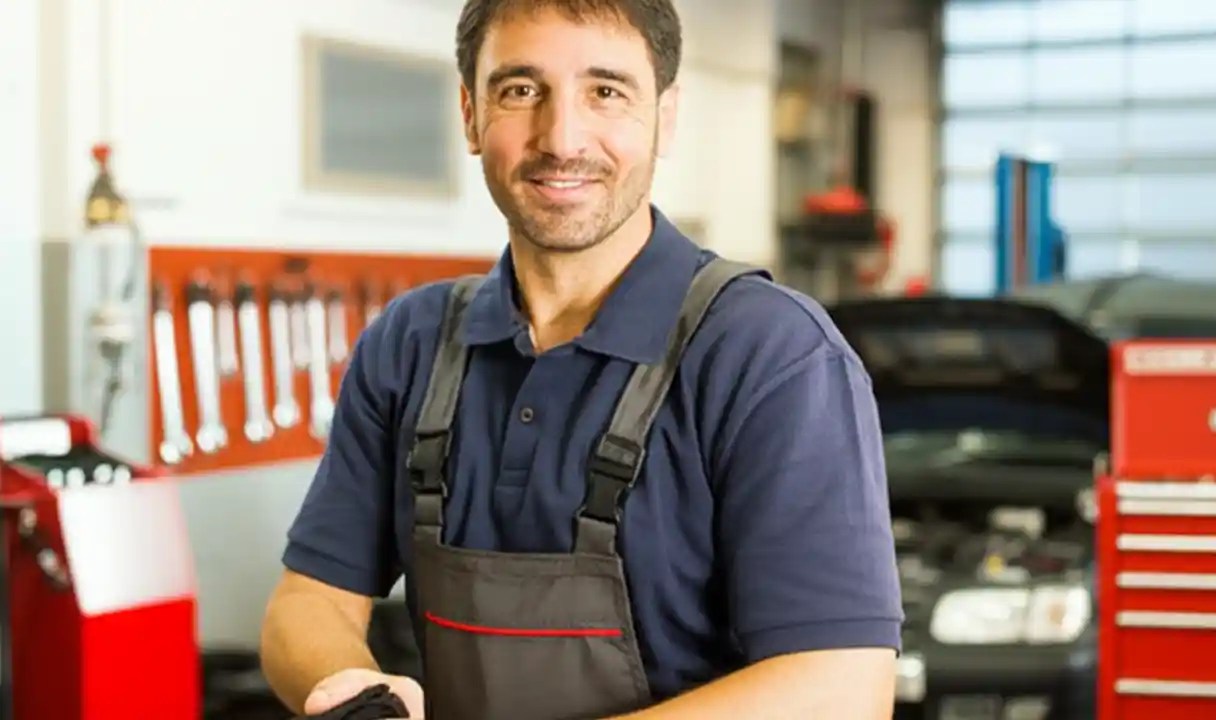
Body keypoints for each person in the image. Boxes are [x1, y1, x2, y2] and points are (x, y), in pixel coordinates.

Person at [259, 0, 903, 717]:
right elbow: (309, 601)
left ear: (664, 117)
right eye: (521, 89)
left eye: (606, 91)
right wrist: (356, 692)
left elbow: (843, 688)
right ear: (471, 114)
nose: (562, 138)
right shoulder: (410, 343)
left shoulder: (770, 355)